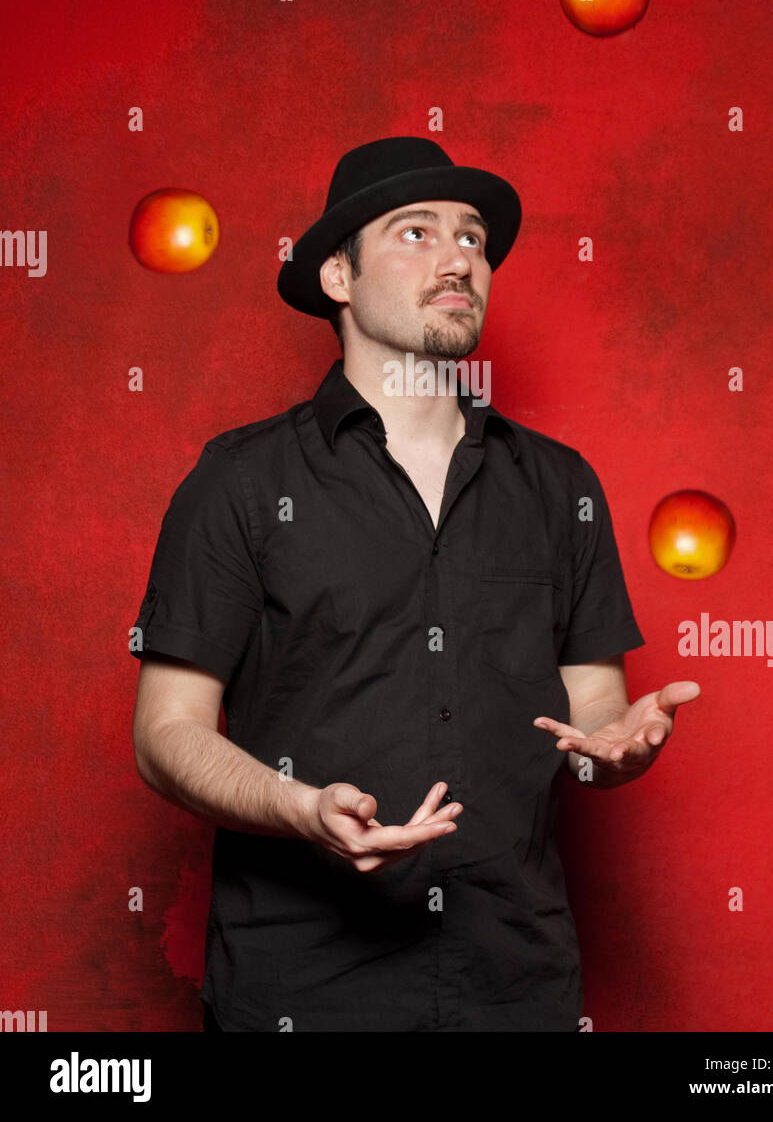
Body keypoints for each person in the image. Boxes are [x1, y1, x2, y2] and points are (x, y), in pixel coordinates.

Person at [131, 135, 699, 1033]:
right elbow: (164, 736)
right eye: (416, 232)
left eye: (473, 238)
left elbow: (594, 711)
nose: (459, 257)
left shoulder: (560, 486)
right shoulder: (239, 484)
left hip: (516, 988)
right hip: (300, 990)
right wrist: (300, 807)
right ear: (337, 278)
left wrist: (616, 748)